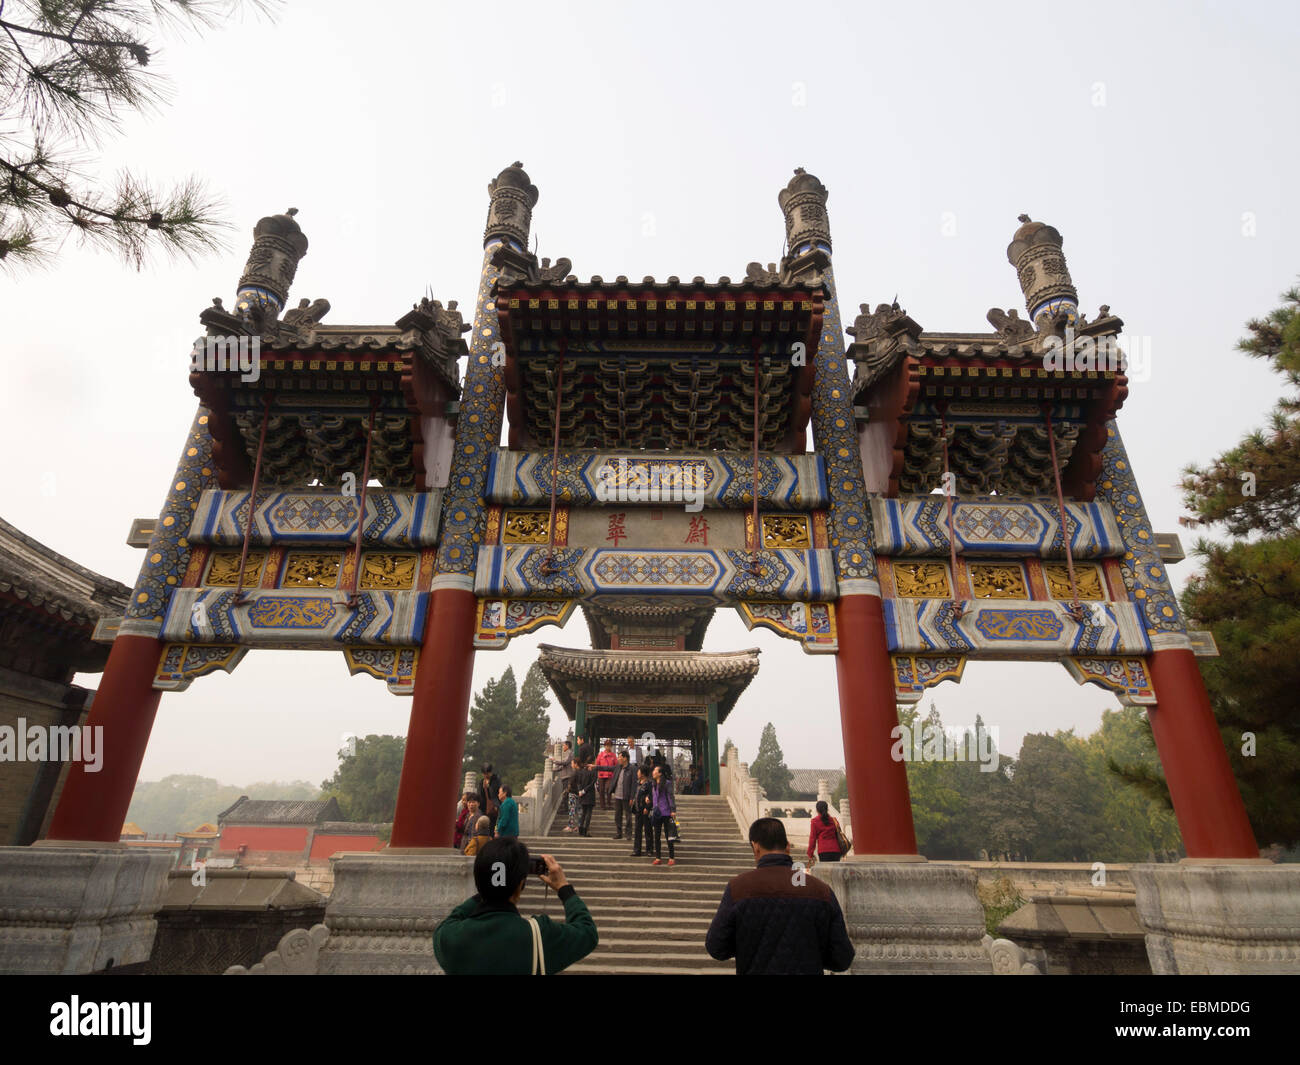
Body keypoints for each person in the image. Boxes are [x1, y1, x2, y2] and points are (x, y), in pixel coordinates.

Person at [705, 817, 854, 975]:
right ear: (788, 847)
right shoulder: (820, 890)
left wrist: (747, 945)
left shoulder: (739, 888)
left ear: (755, 848)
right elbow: (842, 957)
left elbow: (716, 947)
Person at [434, 838, 598, 975]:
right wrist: (564, 889)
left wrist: (488, 889)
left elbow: (454, 916)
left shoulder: (450, 937)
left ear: (478, 879)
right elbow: (587, 932)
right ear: (521, 884)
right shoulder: (540, 936)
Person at [650, 763, 677, 866]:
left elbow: (670, 797)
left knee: (668, 836)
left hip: (666, 812)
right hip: (656, 813)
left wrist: (673, 810)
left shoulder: (667, 783)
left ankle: (671, 857)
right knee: (656, 836)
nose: (653, 772)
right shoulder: (653, 784)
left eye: (655, 771)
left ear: (660, 773)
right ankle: (658, 857)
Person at [807, 800, 844, 865]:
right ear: (827, 809)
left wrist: (810, 853)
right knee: (835, 872)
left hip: (823, 851)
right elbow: (839, 833)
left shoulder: (814, 821)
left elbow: (812, 838)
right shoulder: (834, 820)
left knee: (825, 873)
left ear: (817, 810)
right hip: (836, 850)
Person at [609, 750, 635, 840]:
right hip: (617, 795)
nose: (618, 759)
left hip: (626, 796)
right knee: (617, 815)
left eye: (620, 757)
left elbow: (633, 784)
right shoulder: (618, 767)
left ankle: (628, 834)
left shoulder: (632, 769)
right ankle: (619, 833)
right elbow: (607, 768)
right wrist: (595, 767)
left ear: (625, 758)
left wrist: (632, 797)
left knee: (628, 815)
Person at [631, 765, 653, 857]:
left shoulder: (649, 784)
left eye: (638, 771)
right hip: (638, 810)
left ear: (643, 774)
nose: (637, 773)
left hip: (645, 810)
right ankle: (637, 850)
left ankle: (649, 850)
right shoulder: (638, 783)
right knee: (637, 830)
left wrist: (647, 808)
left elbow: (651, 797)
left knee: (648, 830)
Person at [573, 757, 597, 837]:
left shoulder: (581, 772)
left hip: (582, 795)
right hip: (589, 795)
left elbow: (578, 783)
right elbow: (592, 784)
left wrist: (580, 791)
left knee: (583, 813)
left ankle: (580, 829)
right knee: (588, 814)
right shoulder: (593, 772)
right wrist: (584, 791)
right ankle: (585, 831)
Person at [557, 741, 578, 833]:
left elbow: (565, 763)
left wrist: (555, 761)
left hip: (574, 794)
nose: (572, 764)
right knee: (572, 806)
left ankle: (573, 825)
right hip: (573, 795)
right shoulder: (574, 773)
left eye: (573, 763)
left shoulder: (570, 754)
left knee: (572, 806)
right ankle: (572, 825)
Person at [479, 764, 501, 835]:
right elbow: (481, 795)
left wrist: (489, 786)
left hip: (494, 808)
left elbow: (495, 794)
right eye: (484, 773)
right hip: (484, 807)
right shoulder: (482, 781)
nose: (486, 775)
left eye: (487, 773)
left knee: (492, 826)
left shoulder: (496, 780)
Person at [595, 740, 617, 810]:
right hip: (601, 775)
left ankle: (609, 803)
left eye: (609, 746)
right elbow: (597, 764)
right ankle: (602, 805)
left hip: (610, 776)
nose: (608, 747)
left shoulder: (613, 755)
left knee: (608, 789)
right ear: (604, 746)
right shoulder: (600, 755)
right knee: (601, 790)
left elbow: (616, 766)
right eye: (607, 745)